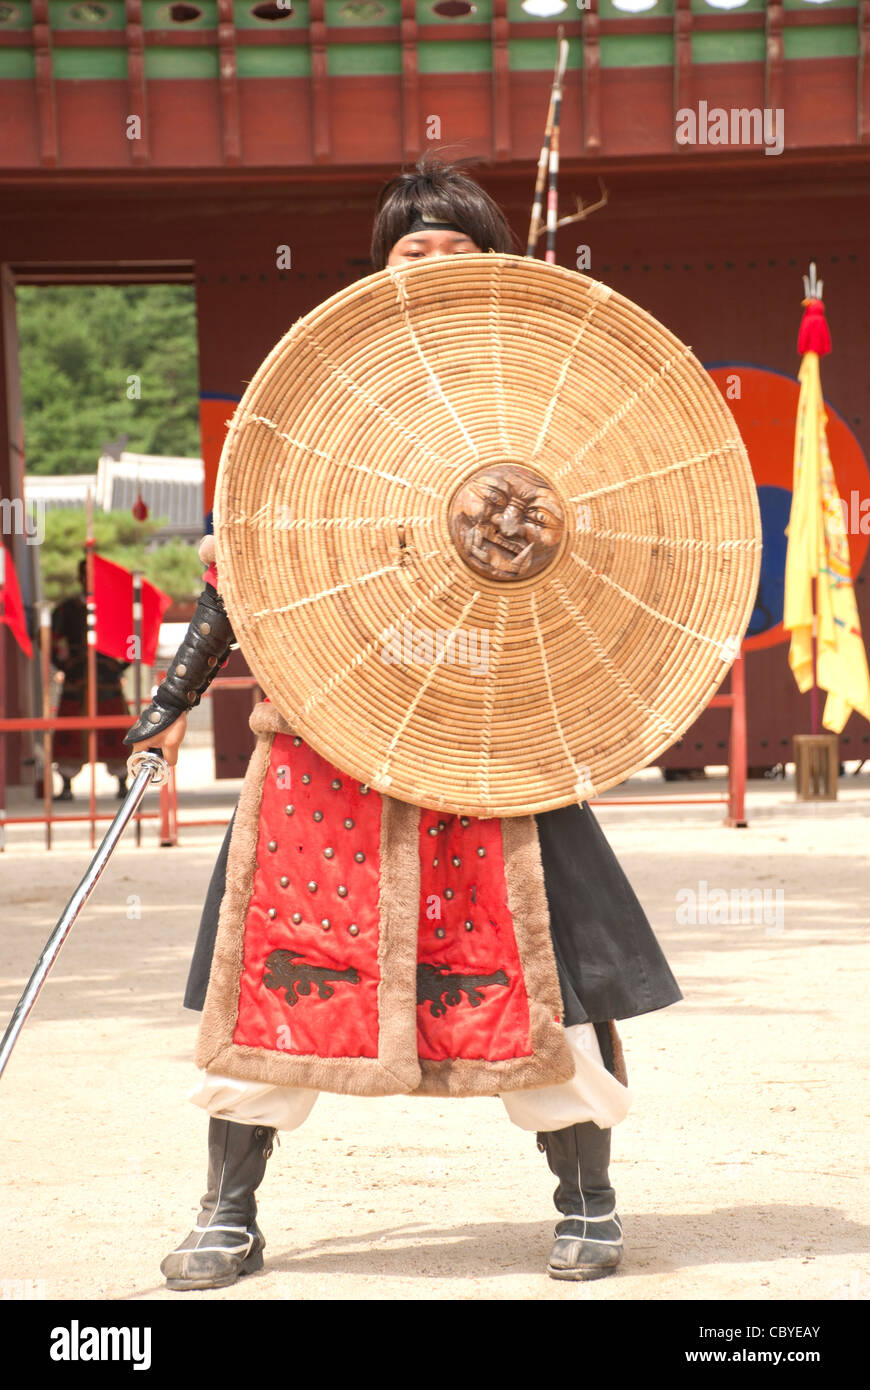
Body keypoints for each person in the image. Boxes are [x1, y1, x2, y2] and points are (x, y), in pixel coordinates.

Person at [126, 158, 681, 1291]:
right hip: (331, 731)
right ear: (379, 268)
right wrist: (168, 704)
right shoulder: (325, 394)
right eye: (408, 247)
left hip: (493, 730)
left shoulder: (554, 400)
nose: (429, 261)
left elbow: (627, 546)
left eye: (453, 246)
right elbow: (250, 569)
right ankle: (230, 1208)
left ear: (496, 263)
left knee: (544, 983)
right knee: (273, 981)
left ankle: (588, 1196)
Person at [52, 558, 130, 801]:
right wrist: (65, 664)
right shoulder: (67, 609)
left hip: (107, 679)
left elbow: (131, 638)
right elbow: (51, 641)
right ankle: (65, 783)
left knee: (114, 732)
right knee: (70, 734)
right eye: (86, 573)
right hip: (77, 679)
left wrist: (119, 667)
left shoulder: (115, 606)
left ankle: (122, 781)